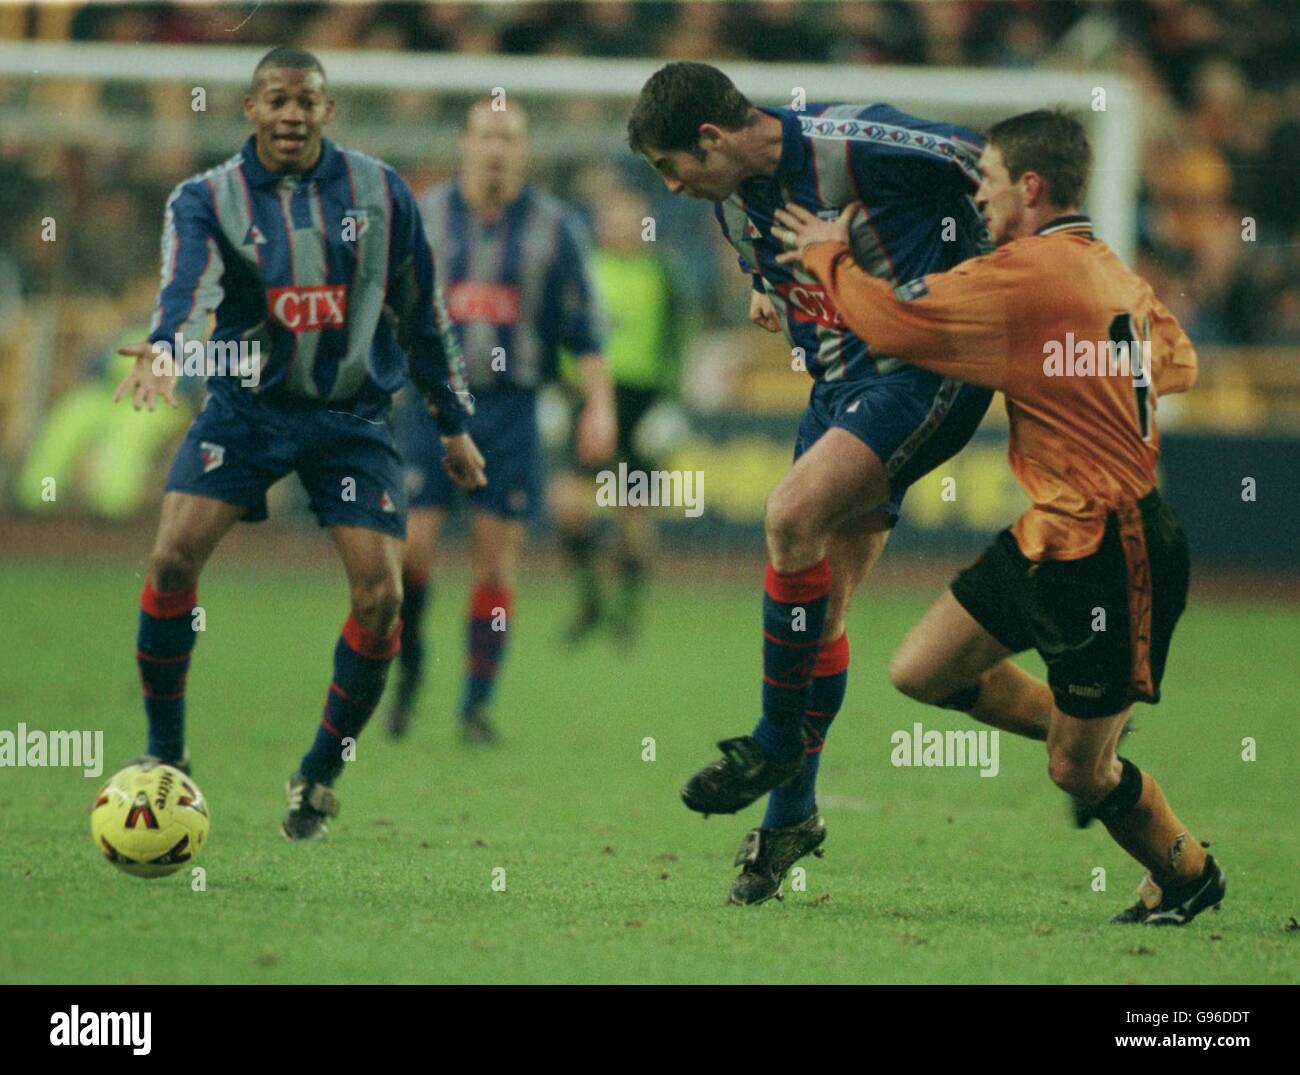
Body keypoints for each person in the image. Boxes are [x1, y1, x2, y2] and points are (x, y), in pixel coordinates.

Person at [774, 109, 1225, 925]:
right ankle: (1088, 725)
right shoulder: (1111, 273)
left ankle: (1185, 869)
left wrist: (823, 256)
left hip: (1114, 544)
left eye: (985, 182)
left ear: (1029, 187)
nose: (975, 197)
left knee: (1075, 776)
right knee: (922, 670)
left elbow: (893, 322)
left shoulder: (1026, 274)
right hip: (1051, 532)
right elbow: (1178, 360)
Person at [627, 61, 994, 905]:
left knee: (789, 513)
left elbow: (990, 165)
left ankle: (771, 740)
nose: (671, 185)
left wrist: (1011, 271)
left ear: (711, 139)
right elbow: (776, 264)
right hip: (838, 389)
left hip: (920, 371)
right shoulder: (733, 199)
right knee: (822, 610)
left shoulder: (858, 142)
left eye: (670, 164)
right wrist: (771, 292)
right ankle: (792, 814)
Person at [113, 46, 483, 840]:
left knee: (381, 601)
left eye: (306, 101)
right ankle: (166, 754)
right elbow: (185, 289)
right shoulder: (204, 198)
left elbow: (423, 313)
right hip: (246, 408)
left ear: (327, 111)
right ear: (250, 109)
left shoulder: (381, 193)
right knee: (173, 556)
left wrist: (452, 422)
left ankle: (320, 770)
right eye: (276, 100)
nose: (291, 114)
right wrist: (167, 345)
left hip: (350, 419)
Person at [387, 99, 616, 744]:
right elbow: (385, 311)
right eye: (486, 135)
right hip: (430, 406)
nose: (496, 148)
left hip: (512, 408)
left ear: (524, 150)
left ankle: (474, 706)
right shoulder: (423, 218)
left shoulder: (555, 226)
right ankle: (409, 672)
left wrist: (599, 404)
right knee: (411, 555)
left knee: (495, 564)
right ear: (464, 143)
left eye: (509, 138)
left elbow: (585, 327)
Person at [550, 176, 685, 645]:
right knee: (569, 505)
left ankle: (626, 614)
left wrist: (670, 405)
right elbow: (562, 333)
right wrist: (556, 389)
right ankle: (590, 599)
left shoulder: (662, 274)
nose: (620, 228)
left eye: (630, 221)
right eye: (612, 220)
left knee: (634, 515)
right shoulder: (583, 271)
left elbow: (678, 343)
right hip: (587, 398)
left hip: (641, 401)